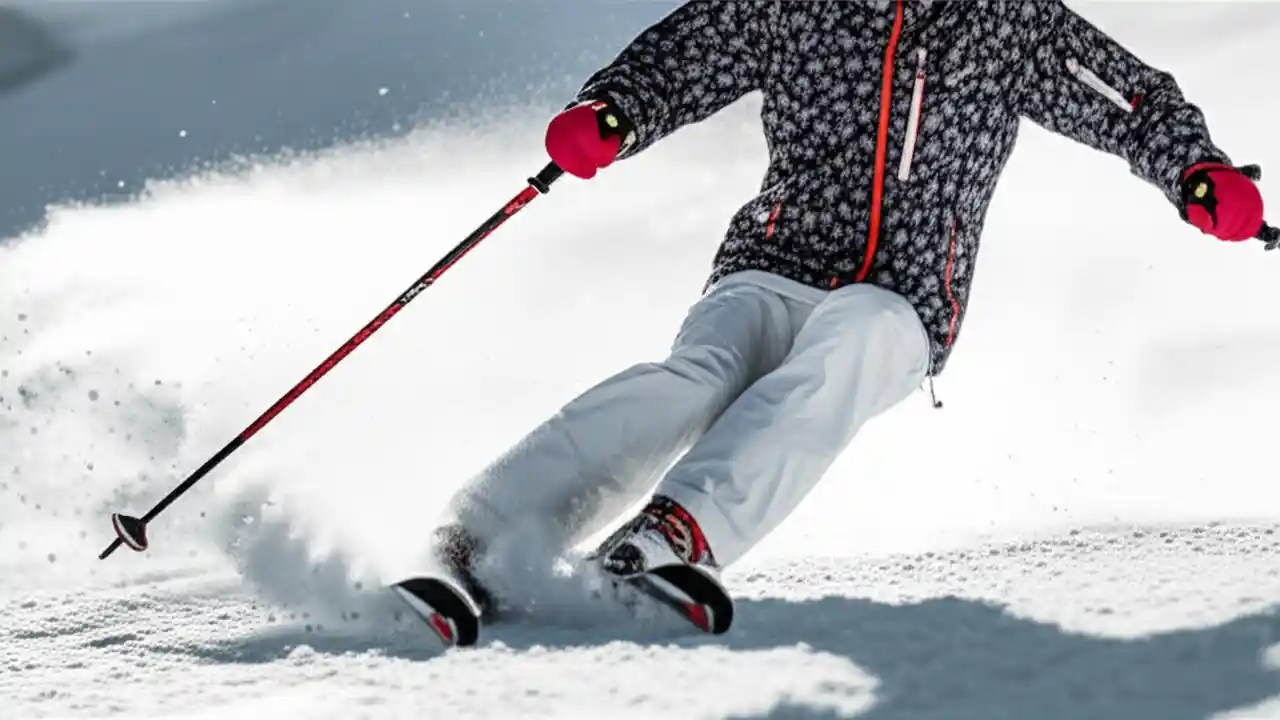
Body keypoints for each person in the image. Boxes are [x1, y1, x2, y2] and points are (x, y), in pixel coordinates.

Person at [432, 0, 1268, 619]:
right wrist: (613, 113)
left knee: (848, 347)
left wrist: (1196, 173)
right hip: (770, 265)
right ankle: (484, 538)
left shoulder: (1008, 23)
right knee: (692, 381)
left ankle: (670, 538)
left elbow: (1128, 100)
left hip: (902, 297)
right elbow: (688, 54)